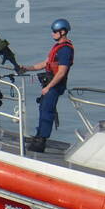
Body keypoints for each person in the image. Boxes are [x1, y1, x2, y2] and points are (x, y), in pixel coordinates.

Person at [22, 18, 74, 153]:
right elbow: (45, 64)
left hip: (55, 85)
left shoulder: (65, 50)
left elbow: (61, 72)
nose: (52, 34)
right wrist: (27, 68)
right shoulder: (57, 47)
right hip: (50, 83)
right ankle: (39, 135)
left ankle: (41, 141)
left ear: (62, 32)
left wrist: (49, 87)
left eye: (55, 32)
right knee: (43, 108)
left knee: (47, 112)